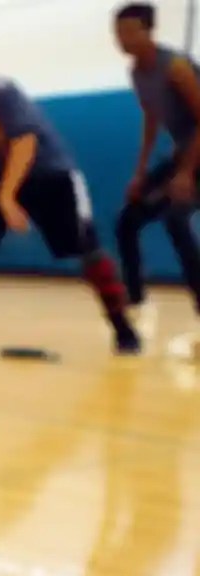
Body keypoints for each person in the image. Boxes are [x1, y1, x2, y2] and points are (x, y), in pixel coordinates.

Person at [0, 32, 141, 355]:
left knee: (85, 247)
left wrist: (7, 198)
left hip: (51, 174)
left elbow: (25, 143)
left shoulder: (1, 93)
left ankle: (123, 329)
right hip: (4, 175)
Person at [113, 2, 200, 355]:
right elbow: (152, 121)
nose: (122, 38)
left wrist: (186, 173)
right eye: (118, 32)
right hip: (182, 154)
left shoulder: (175, 67)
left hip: (194, 155)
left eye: (130, 30)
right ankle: (138, 303)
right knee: (127, 221)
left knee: (176, 220)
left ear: (149, 31)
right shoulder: (136, 72)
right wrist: (140, 174)